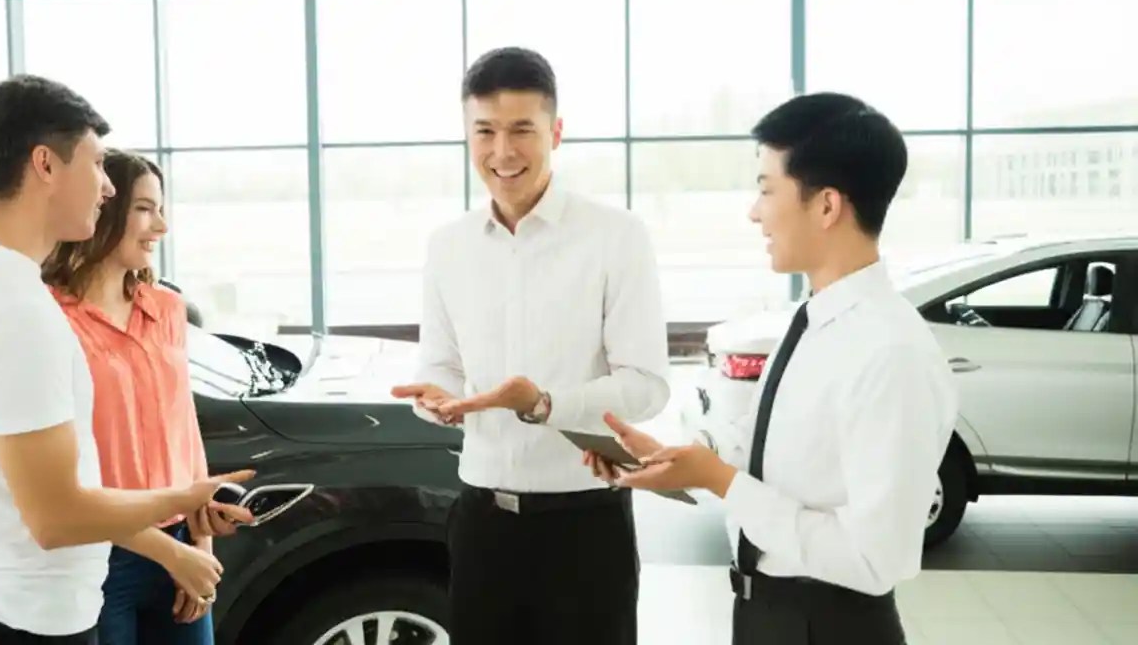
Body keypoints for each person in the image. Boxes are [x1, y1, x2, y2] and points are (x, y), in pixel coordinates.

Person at [586, 92, 960, 644]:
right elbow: (780, 457)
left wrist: (719, 481)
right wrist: (679, 457)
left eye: (766, 189)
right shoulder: (812, 319)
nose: (754, 211)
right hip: (771, 615)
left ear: (827, 205)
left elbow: (877, 559)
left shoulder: (890, 351)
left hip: (830, 623)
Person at [0, 74, 253, 644]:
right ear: (46, 164)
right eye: (97, 165)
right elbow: (57, 517)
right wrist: (184, 499)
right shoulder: (19, 310)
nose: (105, 187)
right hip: (18, 623)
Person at [391, 46, 670, 645]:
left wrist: (543, 404)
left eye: (522, 130)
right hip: (482, 521)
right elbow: (439, 364)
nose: (502, 152)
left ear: (556, 132)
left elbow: (647, 385)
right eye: (484, 131)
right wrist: (435, 399)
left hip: (585, 522)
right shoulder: (449, 246)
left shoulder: (615, 238)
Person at [42, 149, 249, 645]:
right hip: (97, 555)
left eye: (161, 209)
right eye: (145, 208)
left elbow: (184, 427)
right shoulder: (49, 316)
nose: (161, 226)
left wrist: (200, 546)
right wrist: (170, 552)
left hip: (180, 546)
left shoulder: (168, 309)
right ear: (103, 206)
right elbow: (58, 476)